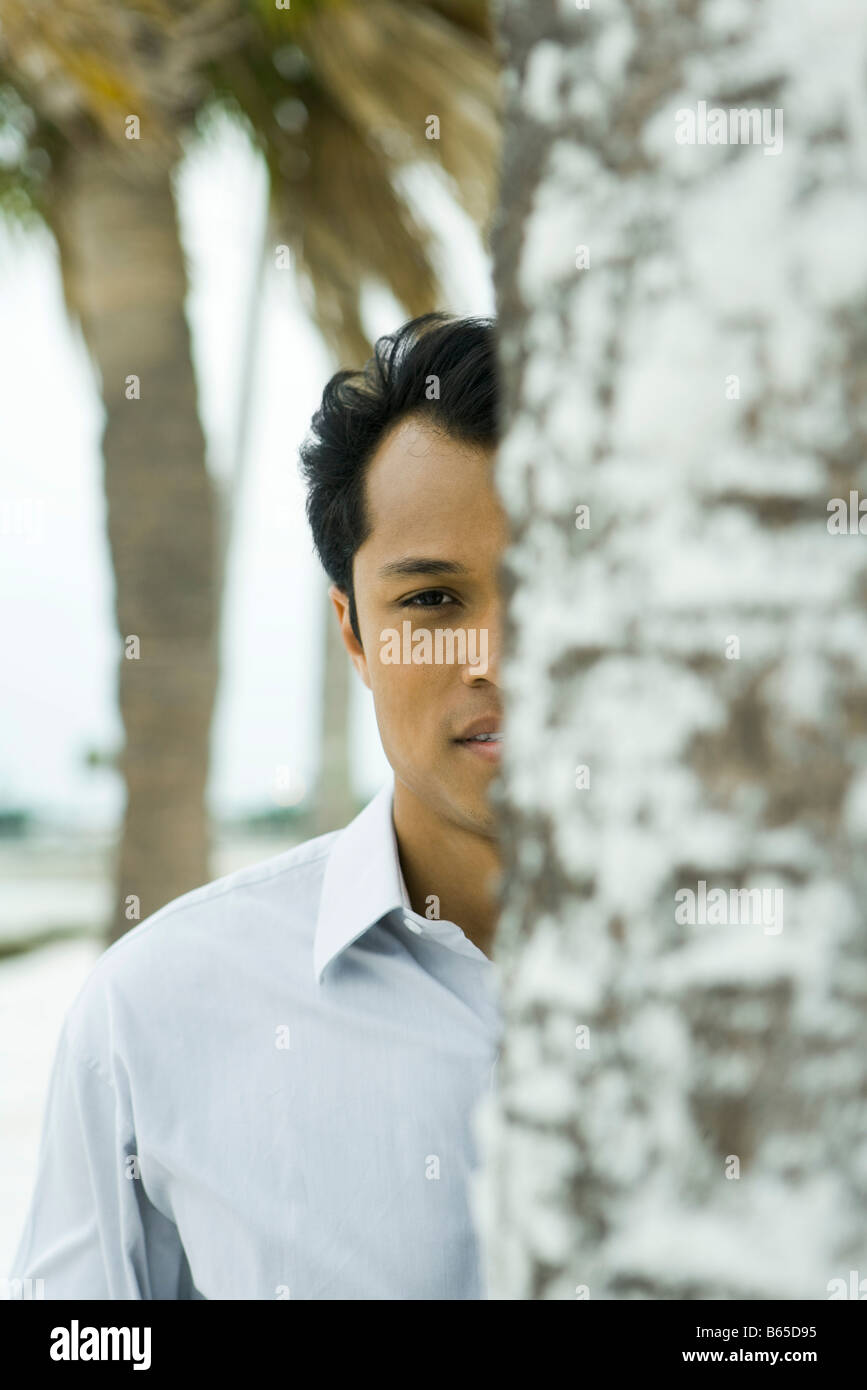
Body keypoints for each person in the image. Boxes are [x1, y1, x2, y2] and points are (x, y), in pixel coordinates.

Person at [10, 312, 507, 1300]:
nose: (497, 657)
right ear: (354, 633)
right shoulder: (157, 1012)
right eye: (432, 602)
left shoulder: (820, 979)